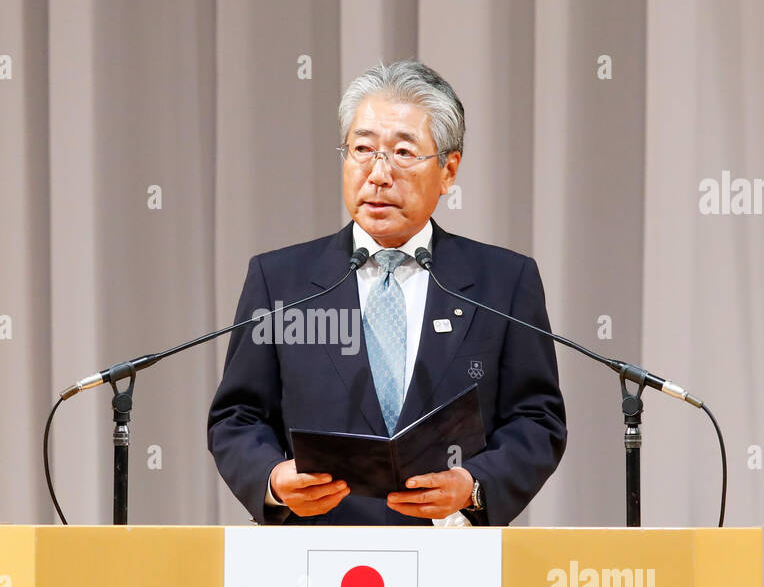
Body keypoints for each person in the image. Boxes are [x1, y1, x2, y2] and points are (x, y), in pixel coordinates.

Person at [208, 59, 566, 526]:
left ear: (448, 170)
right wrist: (273, 480)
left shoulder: (503, 281)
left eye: (402, 153)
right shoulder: (281, 280)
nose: (378, 174)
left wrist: (474, 486)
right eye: (362, 149)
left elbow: (536, 419)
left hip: (451, 556)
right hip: (314, 556)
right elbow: (237, 415)